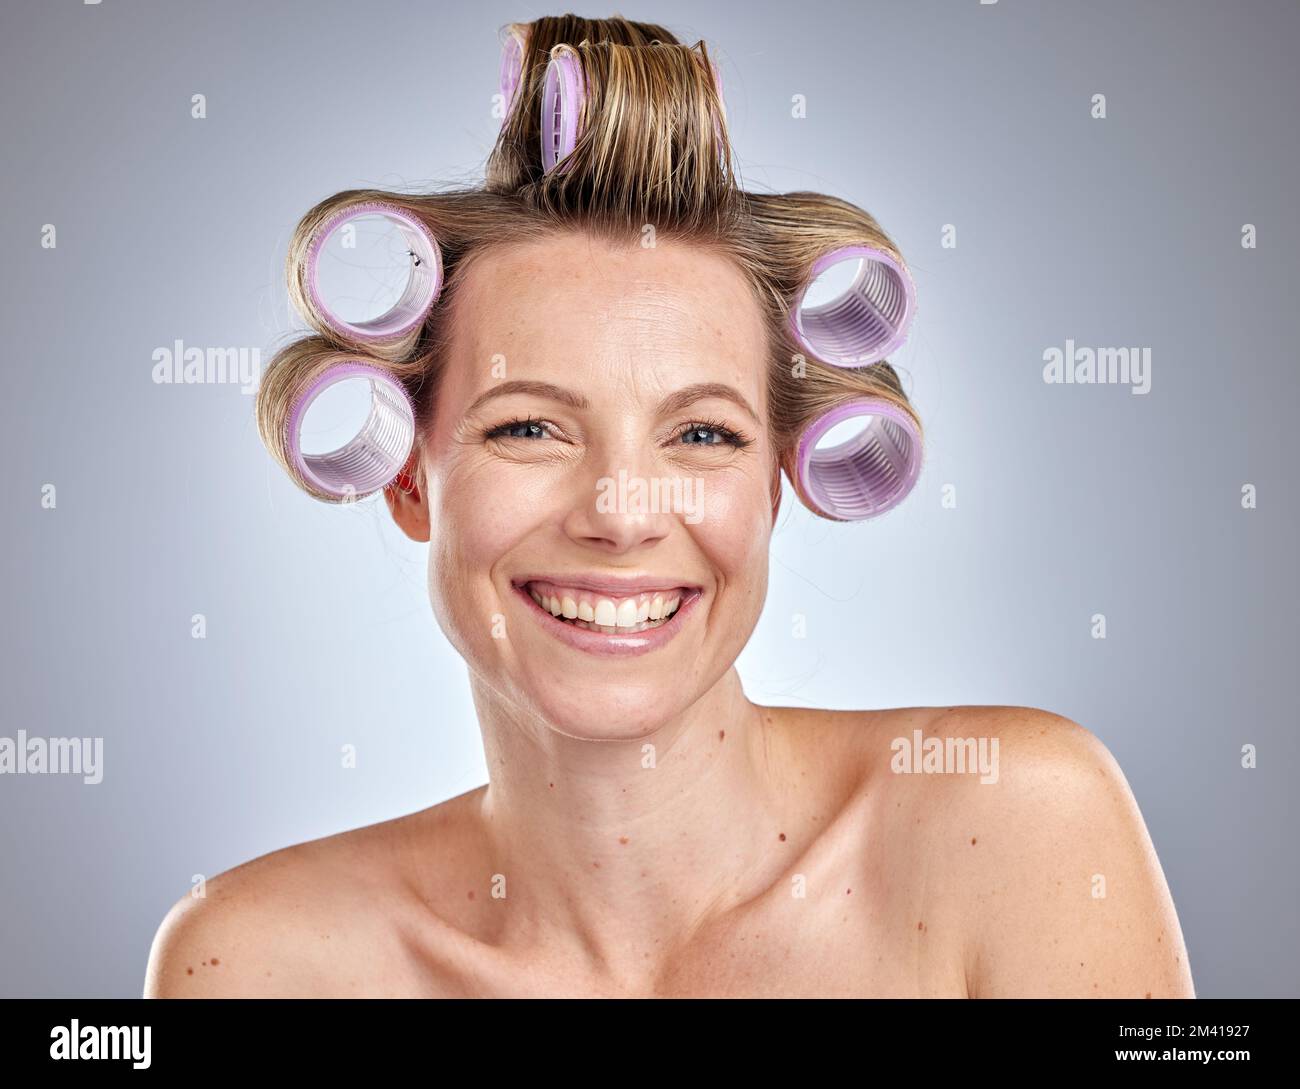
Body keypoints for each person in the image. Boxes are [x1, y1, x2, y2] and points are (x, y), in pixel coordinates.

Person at [144, 14, 1194, 998]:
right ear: (411, 479)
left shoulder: (1016, 826)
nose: (620, 512)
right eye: (528, 428)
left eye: (702, 435)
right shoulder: (259, 963)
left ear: (778, 481)